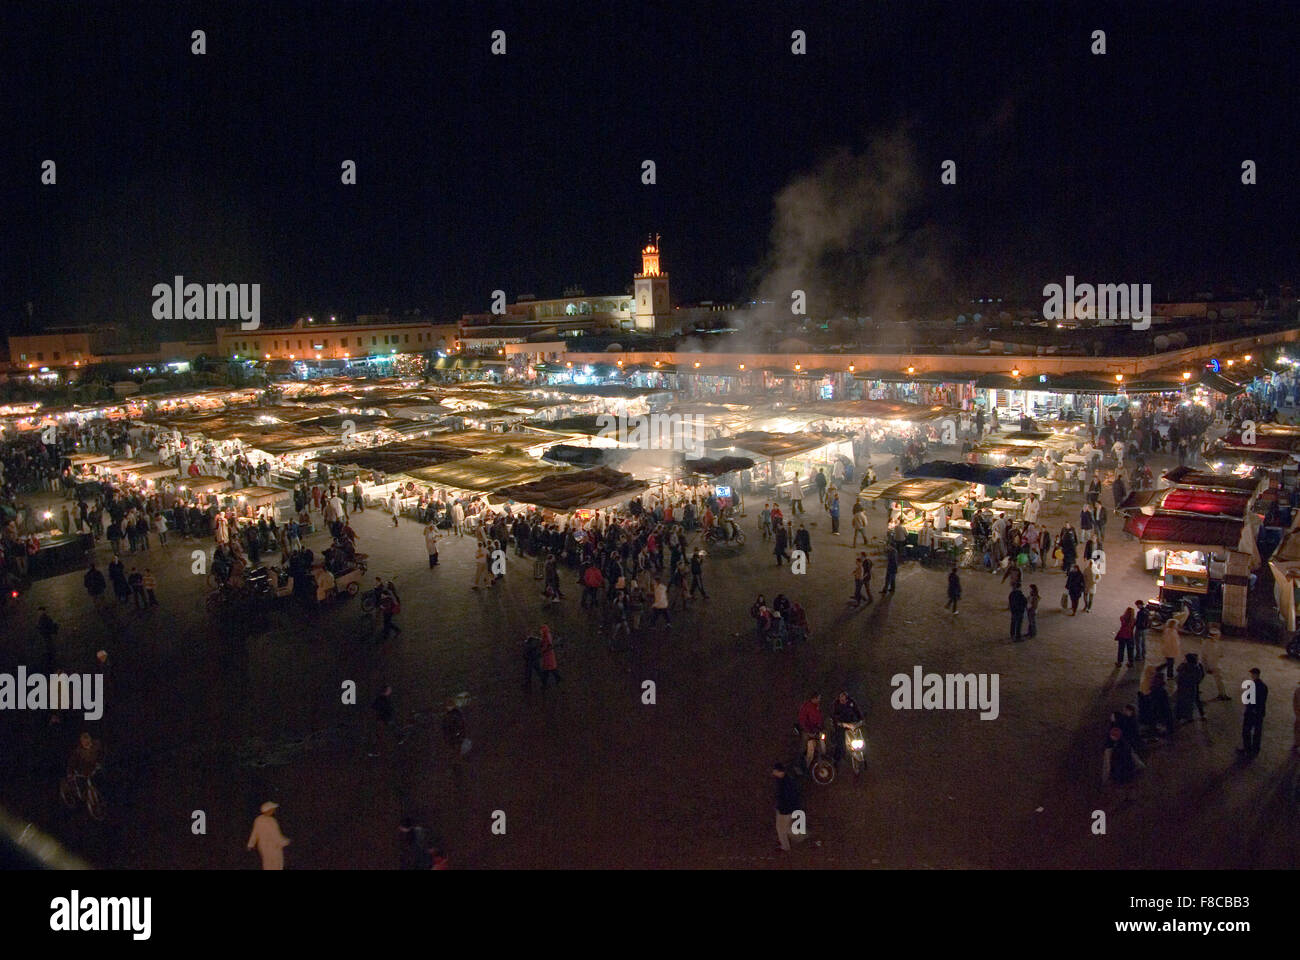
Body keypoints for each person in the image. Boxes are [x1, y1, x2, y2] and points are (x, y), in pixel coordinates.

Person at [247, 801, 291, 870]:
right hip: (273, 847)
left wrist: (250, 844)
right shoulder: (270, 821)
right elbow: (275, 835)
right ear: (269, 810)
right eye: (273, 809)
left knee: (268, 864)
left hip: (264, 847)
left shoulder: (259, 820)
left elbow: (254, 833)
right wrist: (285, 842)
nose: (274, 810)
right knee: (275, 864)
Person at [1238, 667, 1267, 758]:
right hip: (1259, 712)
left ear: (1255, 674)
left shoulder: (1253, 686)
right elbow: (1263, 700)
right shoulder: (1264, 686)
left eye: (1252, 674)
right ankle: (1255, 748)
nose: (1251, 675)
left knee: (1246, 731)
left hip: (1251, 712)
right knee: (1257, 731)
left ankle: (1247, 749)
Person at [773, 763, 801, 853]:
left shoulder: (785, 783)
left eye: (775, 771)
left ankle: (785, 846)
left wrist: (781, 809)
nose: (773, 772)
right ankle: (797, 837)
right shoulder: (786, 780)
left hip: (785, 810)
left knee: (781, 829)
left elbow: (786, 798)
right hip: (785, 809)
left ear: (779, 772)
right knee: (785, 828)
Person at [830, 691, 862, 767]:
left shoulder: (851, 702)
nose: (842, 701)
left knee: (860, 738)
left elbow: (857, 711)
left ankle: (863, 757)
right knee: (840, 743)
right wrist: (838, 723)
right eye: (841, 699)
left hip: (851, 724)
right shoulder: (836, 704)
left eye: (844, 700)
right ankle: (836, 760)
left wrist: (861, 720)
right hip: (841, 726)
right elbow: (834, 715)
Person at [1201, 625, 1231, 701]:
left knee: (1200, 677)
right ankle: (1222, 694)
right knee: (1219, 680)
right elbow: (1218, 654)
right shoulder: (1213, 644)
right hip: (1214, 665)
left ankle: (1194, 689)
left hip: (1208, 664)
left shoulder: (1207, 642)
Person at [1175, 653, 1206, 723]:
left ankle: (1179, 716)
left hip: (1183, 687)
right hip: (1193, 687)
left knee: (1181, 701)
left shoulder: (1184, 666)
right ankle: (1193, 716)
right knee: (1193, 701)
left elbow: (1178, 673)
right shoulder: (1197, 667)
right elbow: (1200, 677)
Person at [1159, 606, 1188, 679]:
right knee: (1170, 663)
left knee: (1168, 662)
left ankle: (1161, 670)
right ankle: (1169, 675)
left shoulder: (1167, 631)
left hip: (1168, 651)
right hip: (1170, 651)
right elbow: (1175, 643)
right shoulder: (1172, 633)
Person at [798, 693, 824, 772]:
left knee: (820, 747)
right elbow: (802, 721)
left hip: (815, 731)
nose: (819, 700)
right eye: (818, 698)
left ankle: (819, 764)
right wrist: (808, 731)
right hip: (807, 731)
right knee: (804, 748)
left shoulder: (817, 707)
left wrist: (820, 727)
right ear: (814, 698)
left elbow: (819, 719)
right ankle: (800, 765)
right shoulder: (806, 707)